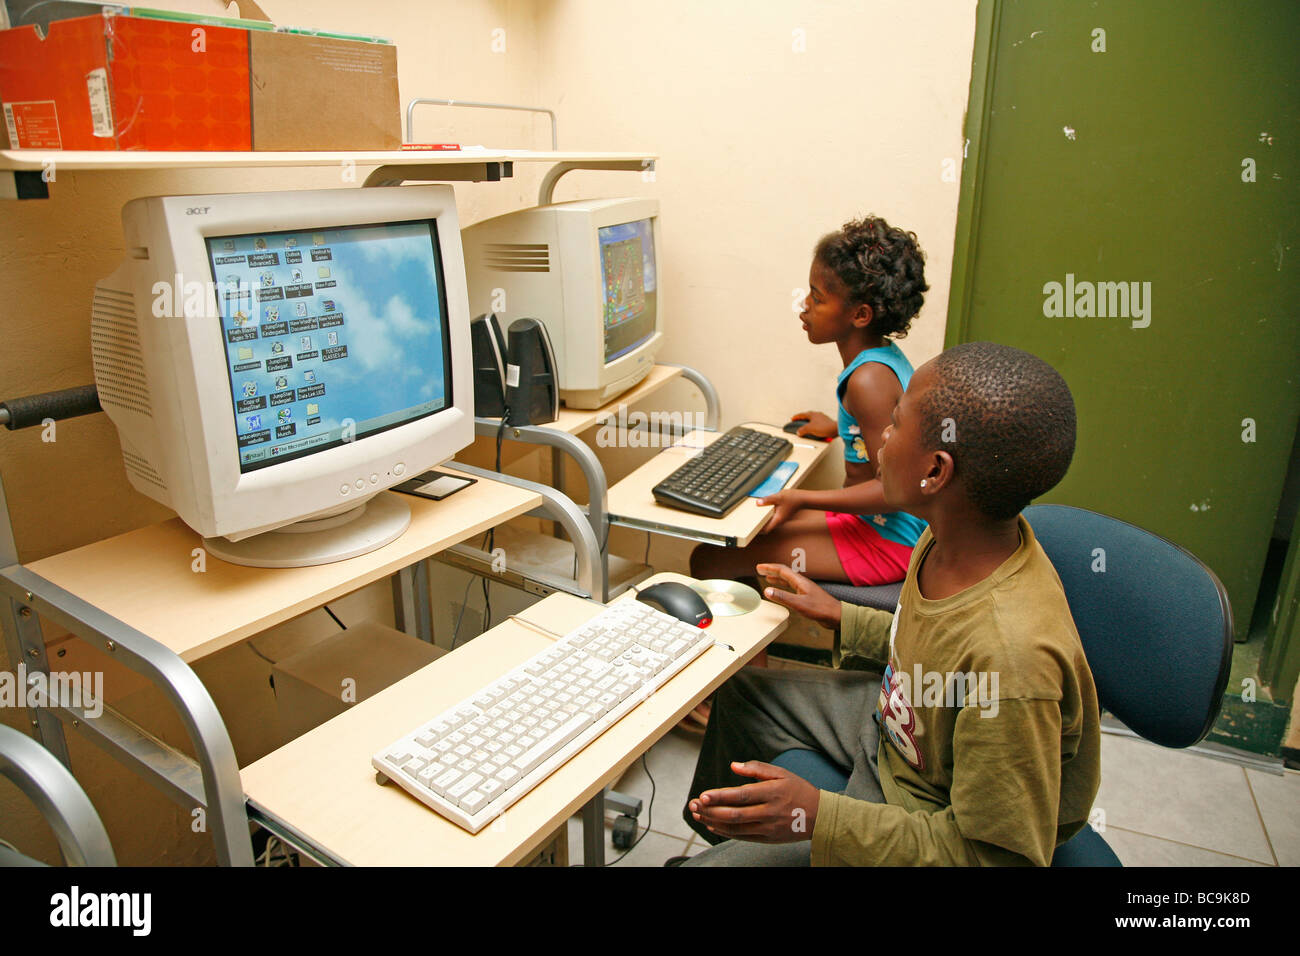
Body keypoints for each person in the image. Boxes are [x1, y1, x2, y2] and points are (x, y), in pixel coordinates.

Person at [678, 342, 1101, 866]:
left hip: (925, 809)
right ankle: (732, 836)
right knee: (743, 692)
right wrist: (844, 619)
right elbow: (935, 652)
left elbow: (996, 858)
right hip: (904, 730)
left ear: (935, 471)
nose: (879, 440)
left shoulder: (1013, 662)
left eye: (895, 426)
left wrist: (820, 816)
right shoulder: (950, 534)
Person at [689, 215, 930, 588]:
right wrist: (841, 427)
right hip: (875, 524)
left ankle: (747, 645)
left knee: (711, 558)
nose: (804, 306)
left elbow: (895, 489)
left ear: (860, 315)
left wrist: (803, 498)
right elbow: (887, 432)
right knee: (746, 531)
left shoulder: (868, 381)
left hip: (888, 540)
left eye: (818, 298)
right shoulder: (881, 360)